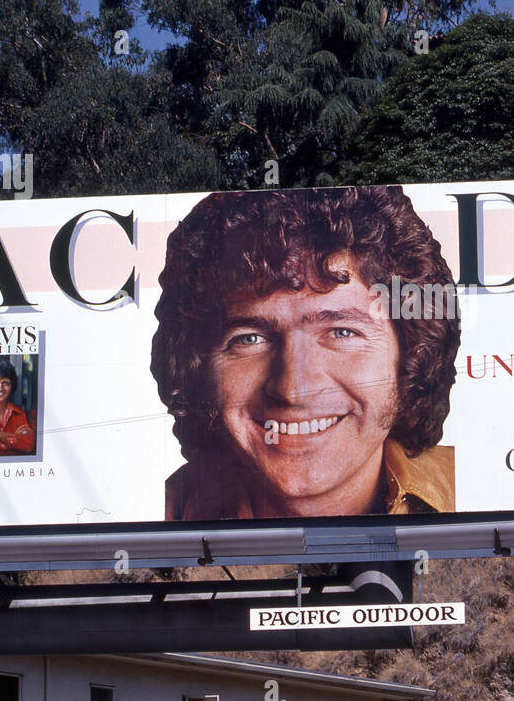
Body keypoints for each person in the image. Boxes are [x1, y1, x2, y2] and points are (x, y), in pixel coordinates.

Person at [151, 185, 460, 520]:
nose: (293, 390)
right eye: (250, 339)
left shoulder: (477, 492)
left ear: (410, 355)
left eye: (342, 332)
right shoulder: (151, 519)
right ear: (198, 367)